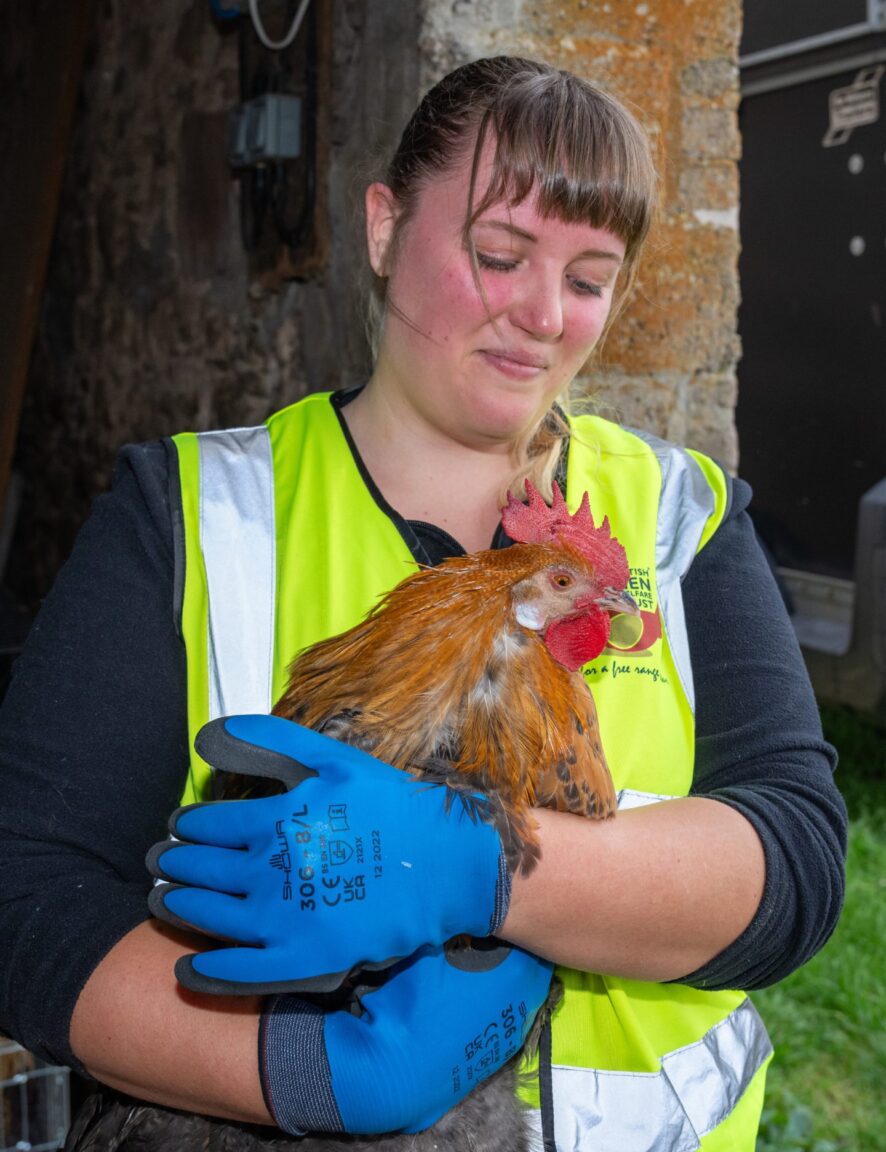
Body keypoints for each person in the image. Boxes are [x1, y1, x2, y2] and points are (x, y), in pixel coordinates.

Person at [0, 56, 846, 1151]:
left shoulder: (675, 512)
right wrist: (308, 1072)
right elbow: (24, 890)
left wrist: (490, 869)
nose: (543, 315)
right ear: (384, 228)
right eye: (499, 255)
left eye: (588, 281)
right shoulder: (193, 511)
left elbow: (797, 861)